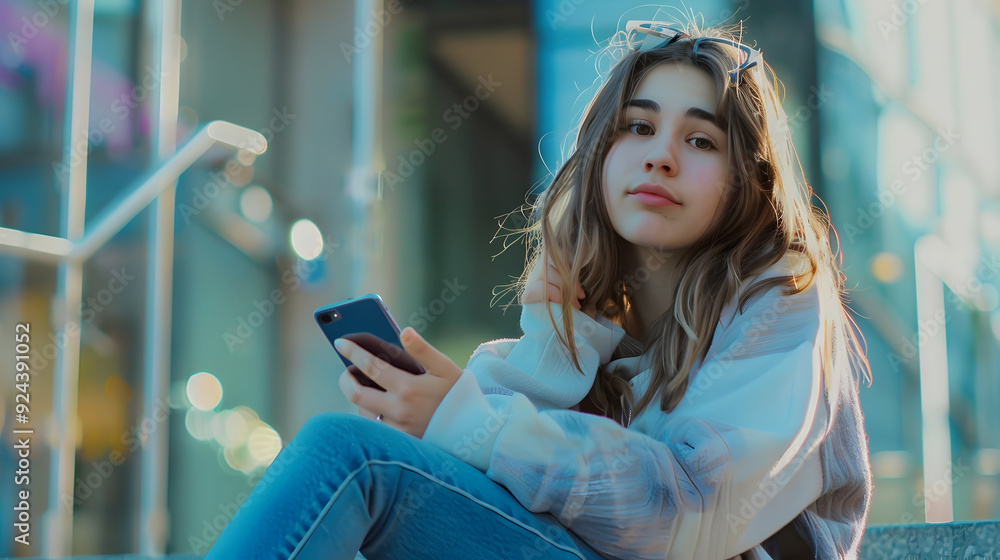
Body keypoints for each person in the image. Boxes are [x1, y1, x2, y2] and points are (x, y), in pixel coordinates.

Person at [204, 16, 873, 560]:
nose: (659, 154)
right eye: (637, 127)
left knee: (346, 457)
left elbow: (692, 512)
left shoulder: (782, 295)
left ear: (746, 180)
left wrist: (467, 419)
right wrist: (558, 344)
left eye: (700, 140)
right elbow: (478, 479)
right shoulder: (593, 308)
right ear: (600, 155)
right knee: (360, 458)